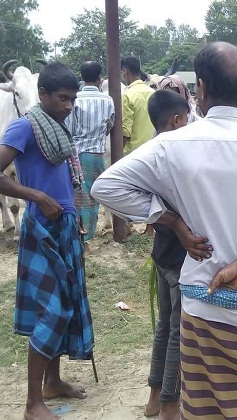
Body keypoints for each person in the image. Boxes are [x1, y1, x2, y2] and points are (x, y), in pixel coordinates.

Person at [92, 41, 237, 419]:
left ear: (201, 88)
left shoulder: (171, 146)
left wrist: (172, 220)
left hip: (199, 310)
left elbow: (105, 188)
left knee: (203, 410)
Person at [0, 62, 94, 420]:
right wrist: (36, 197)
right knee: (51, 311)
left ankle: (52, 383)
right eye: (62, 98)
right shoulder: (24, 127)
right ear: (42, 95)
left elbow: (66, 182)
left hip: (64, 227)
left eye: (72, 99)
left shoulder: (57, 128)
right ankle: (31, 404)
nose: (69, 106)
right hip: (41, 229)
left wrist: (74, 218)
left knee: (64, 304)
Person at [142, 89, 191, 420]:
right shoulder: (177, 156)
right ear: (176, 121)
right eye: (187, 120)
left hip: (161, 252)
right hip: (177, 257)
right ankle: (171, 406)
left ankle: (155, 396)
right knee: (177, 330)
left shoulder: (147, 155)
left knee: (164, 327)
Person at [65, 61, 115, 242]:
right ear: (99, 78)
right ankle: (88, 236)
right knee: (92, 198)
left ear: (82, 77)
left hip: (76, 155)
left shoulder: (74, 100)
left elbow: (68, 128)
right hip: (97, 154)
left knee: (77, 197)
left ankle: (80, 238)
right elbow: (110, 125)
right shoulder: (108, 100)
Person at [121, 56, 155, 155]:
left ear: (125, 71)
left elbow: (125, 131)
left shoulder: (127, 95)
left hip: (133, 154)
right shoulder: (153, 93)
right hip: (153, 151)